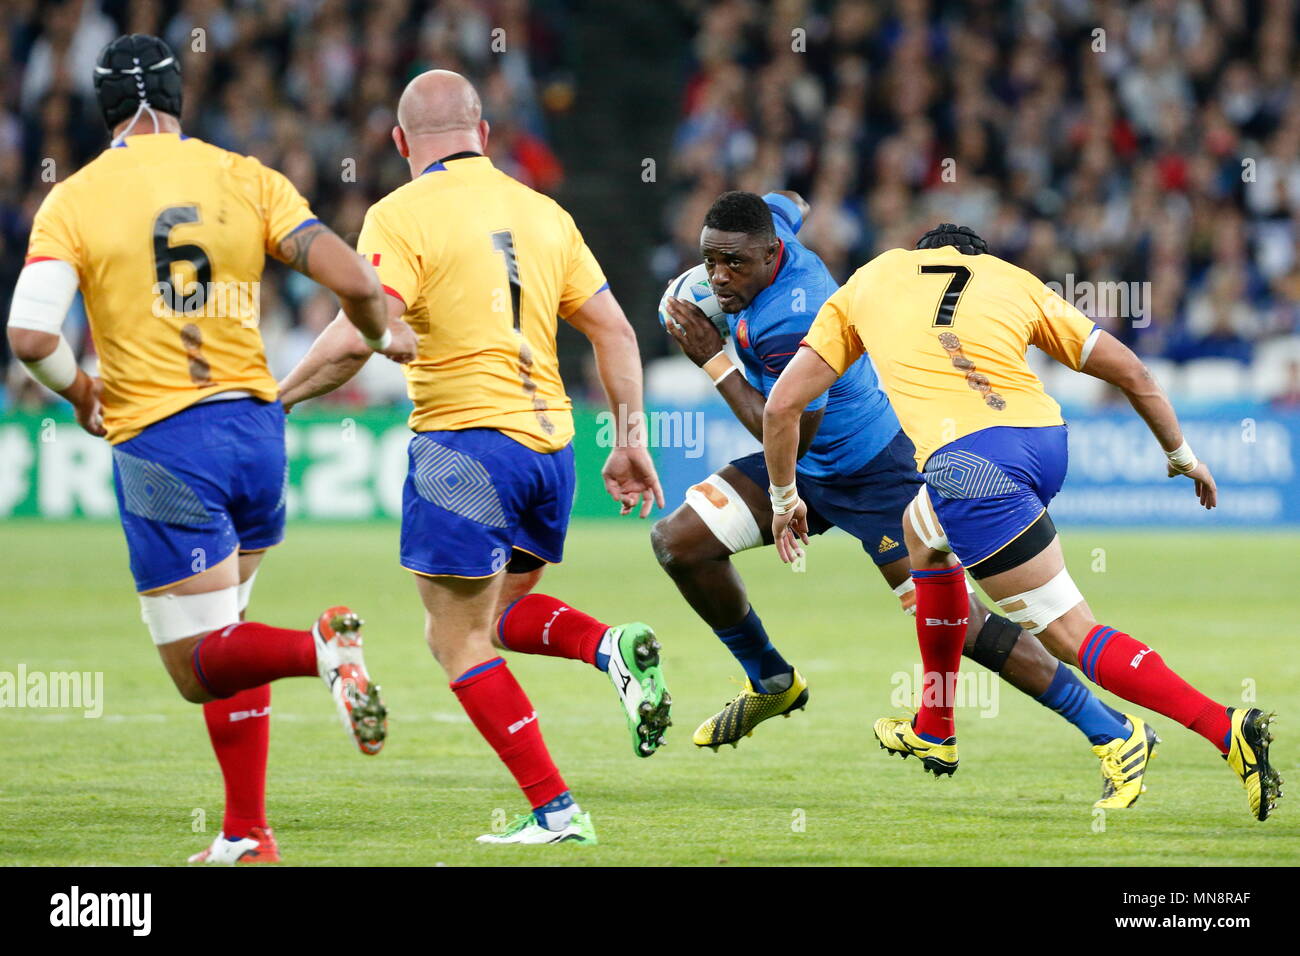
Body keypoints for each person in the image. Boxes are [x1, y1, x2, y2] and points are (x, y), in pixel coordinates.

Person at [5, 34, 418, 864]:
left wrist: (83, 392)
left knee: (198, 664)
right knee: (227, 637)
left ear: (105, 108)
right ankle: (247, 834)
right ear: (179, 97)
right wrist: (382, 334)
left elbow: (29, 332)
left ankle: (320, 652)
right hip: (256, 432)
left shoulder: (76, 199)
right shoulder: (245, 176)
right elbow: (356, 281)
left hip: (164, 441)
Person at [653, 192, 1156, 809]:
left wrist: (712, 358)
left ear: (769, 254)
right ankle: (772, 680)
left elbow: (780, 423)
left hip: (873, 471)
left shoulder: (793, 318)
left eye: (733, 263)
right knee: (679, 542)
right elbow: (790, 200)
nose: (718, 277)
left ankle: (1115, 728)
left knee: (961, 627)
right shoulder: (768, 233)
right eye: (710, 261)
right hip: (803, 466)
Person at [764, 223, 1281, 821]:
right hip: (1044, 443)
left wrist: (784, 499)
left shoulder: (872, 278)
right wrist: (1181, 455)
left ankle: (1223, 728)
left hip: (969, 464)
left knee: (1069, 634)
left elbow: (783, 405)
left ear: (922, 252)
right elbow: (1132, 372)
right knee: (920, 532)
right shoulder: (1014, 280)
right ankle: (935, 723)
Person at [278, 70, 668, 845]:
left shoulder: (398, 214)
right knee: (502, 614)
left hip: (464, 446)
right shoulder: (543, 211)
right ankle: (606, 645)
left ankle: (556, 811)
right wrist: (629, 439)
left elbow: (362, 330)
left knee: (453, 638)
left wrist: (276, 401)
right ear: (484, 134)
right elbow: (616, 332)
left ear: (399, 144)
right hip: (549, 450)